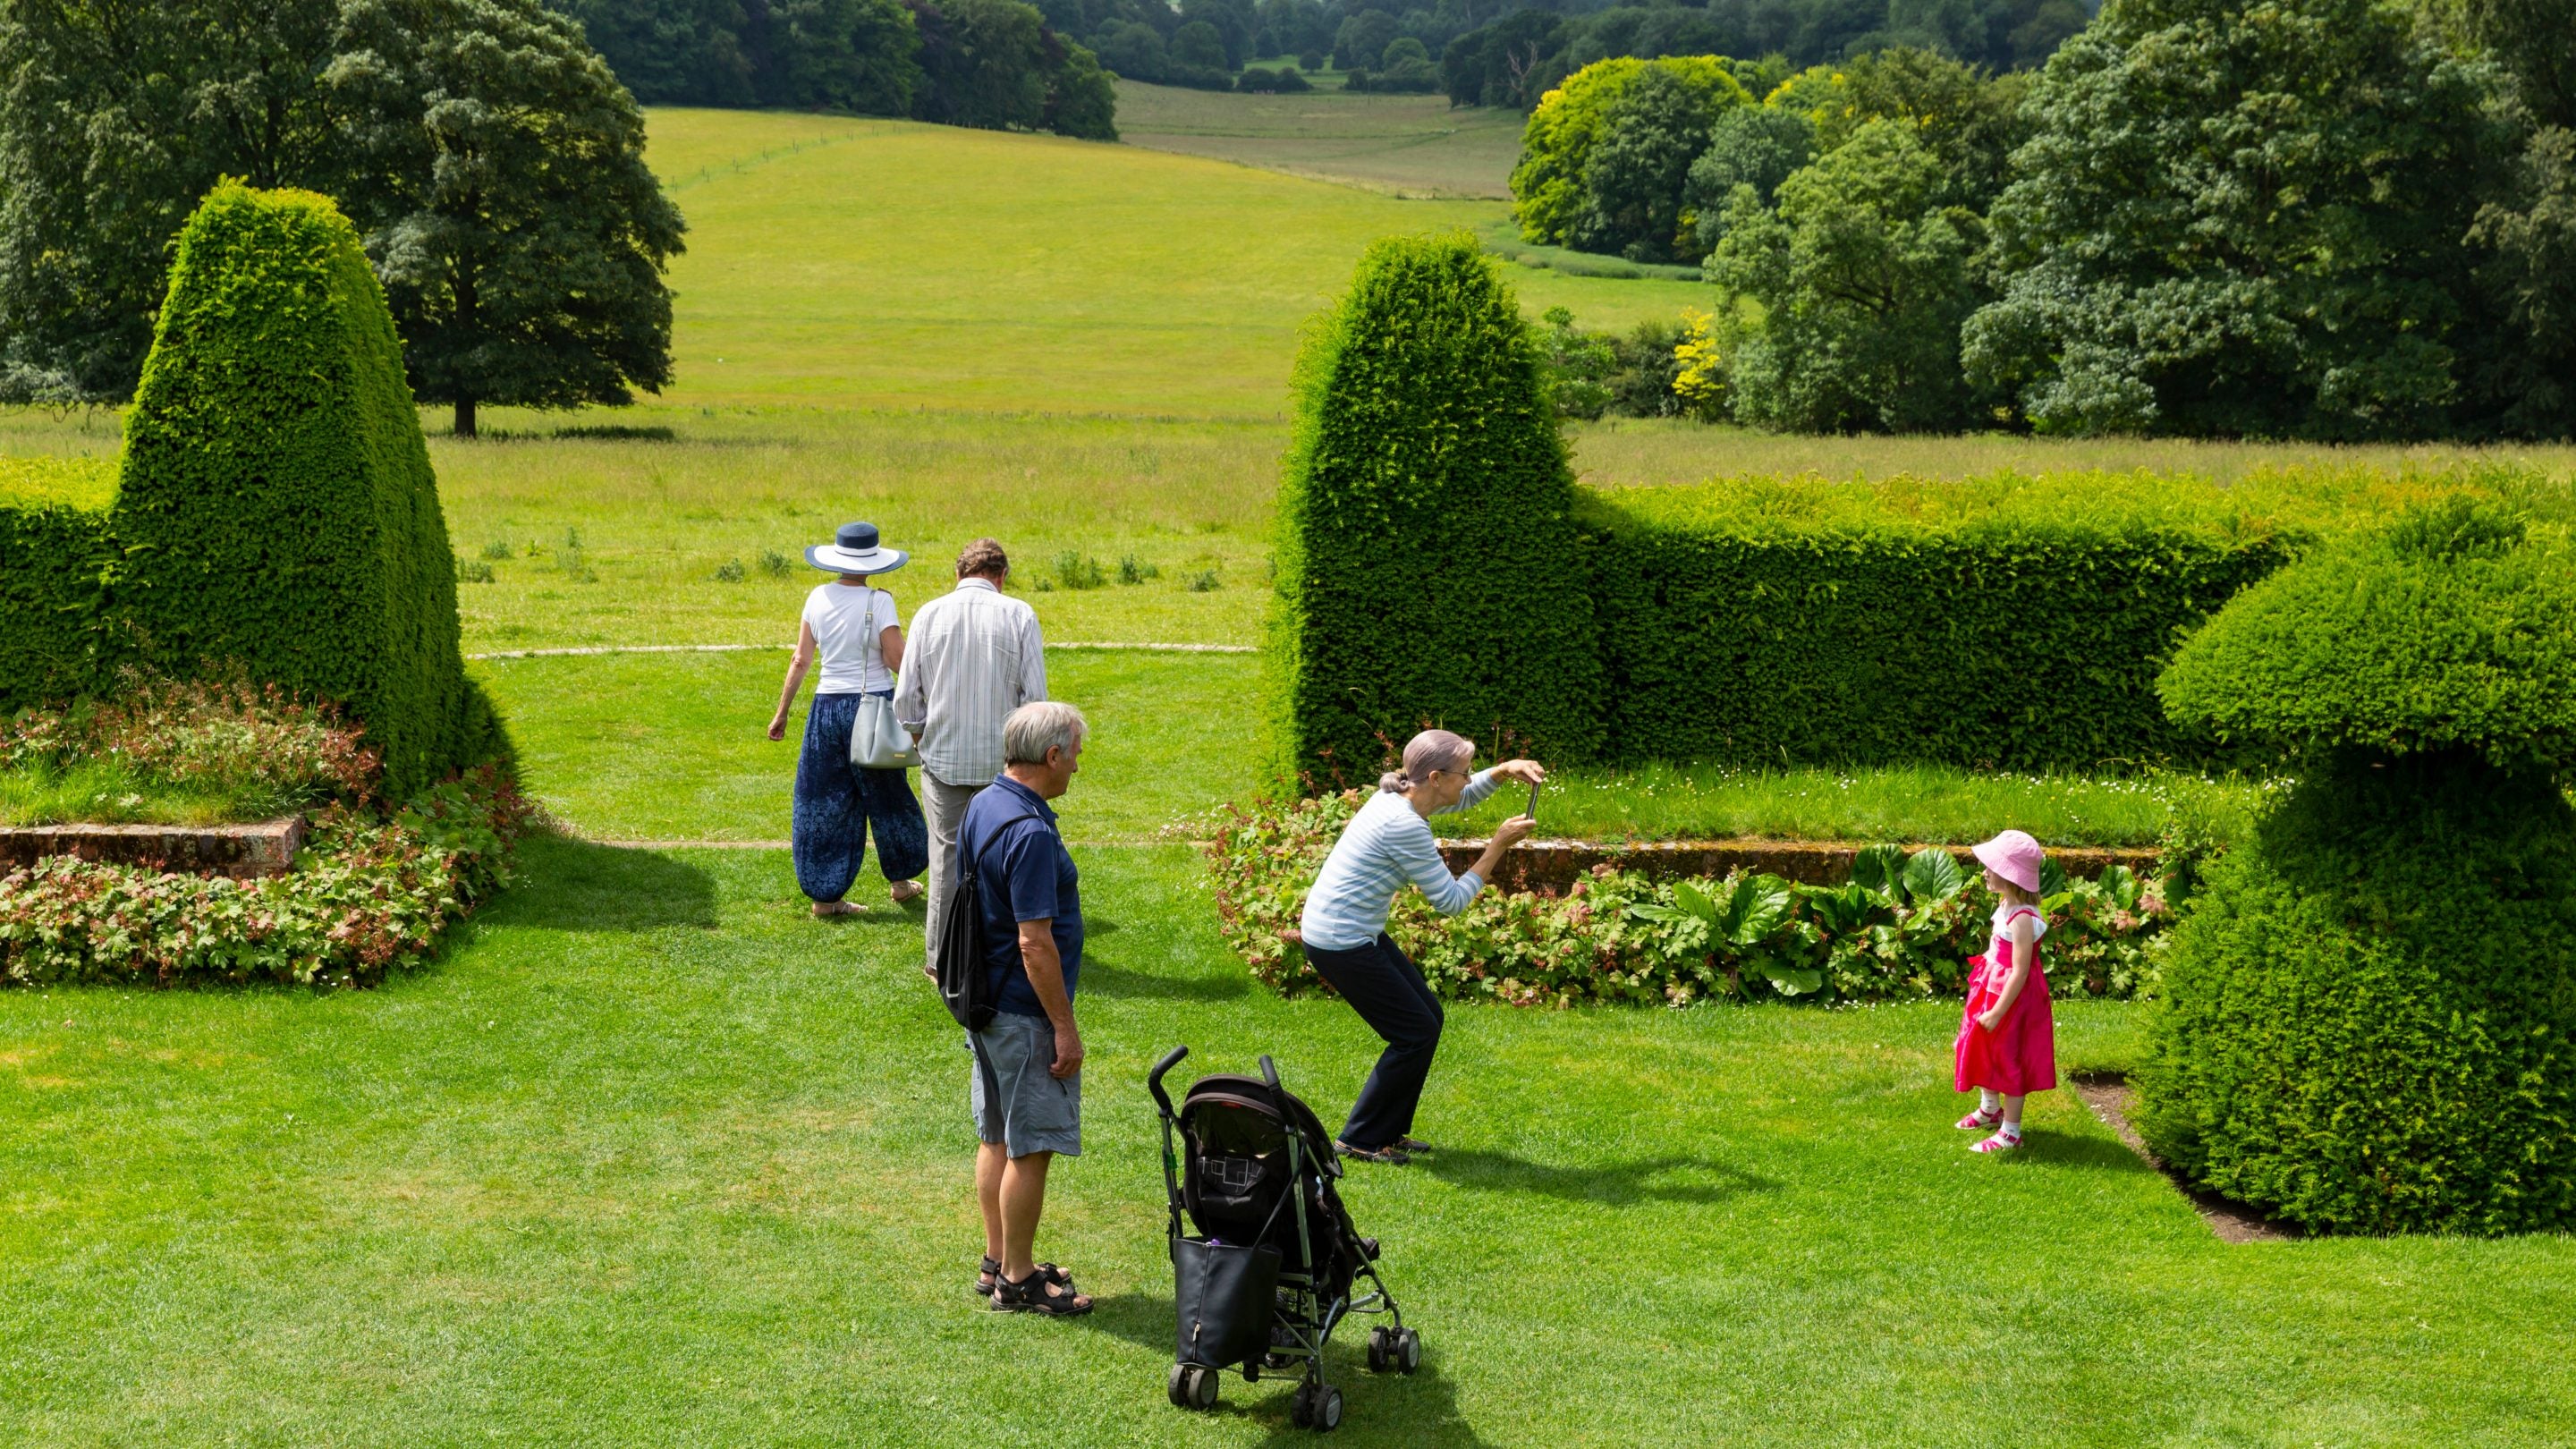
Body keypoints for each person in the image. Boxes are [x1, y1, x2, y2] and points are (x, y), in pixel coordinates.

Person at [1298, 728, 1542, 1165]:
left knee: (1427, 1018)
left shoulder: (1400, 796)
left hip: (1351, 931)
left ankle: (1386, 1131)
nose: (1469, 780)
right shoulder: (1403, 825)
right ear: (1434, 776)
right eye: (1464, 772)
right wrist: (1498, 847)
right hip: (1339, 940)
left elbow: (1461, 797)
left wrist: (1504, 771)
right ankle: (1359, 1139)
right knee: (1413, 1034)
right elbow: (1450, 902)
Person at [962, 701, 1093, 1316]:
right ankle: (1018, 1280)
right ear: (1051, 756)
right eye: (1075, 754)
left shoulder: (985, 803)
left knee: (995, 1136)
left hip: (985, 1006)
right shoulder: (1032, 832)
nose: (1077, 766)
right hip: (1021, 1012)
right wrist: (1063, 1029)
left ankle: (997, 1260)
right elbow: (1034, 942)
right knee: (1029, 1146)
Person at [895, 538, 1046, 976]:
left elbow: (907, 698)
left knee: (945, 858)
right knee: (1006, 856)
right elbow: (1034, 699)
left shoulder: (928, 613)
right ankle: (1005, 950)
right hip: (1005, 764)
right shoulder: (1019, 614)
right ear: (1001, 576)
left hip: (943, 756)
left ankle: (941, 961)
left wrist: (921, 735)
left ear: (958, 575)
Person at [767, 521, 928, 919]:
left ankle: (825, 897)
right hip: (872, 707)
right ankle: (901, 881)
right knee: (888, 794)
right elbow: (894, 659)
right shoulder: (880, 601)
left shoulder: (817, 597)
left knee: (824, 799)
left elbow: (801, 659)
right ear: (872, 561)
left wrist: (782, 711)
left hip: (825, 711)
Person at [1953, 828, 2058, 1153]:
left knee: (2010, 1056)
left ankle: (2011, 1131)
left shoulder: (2023, 918)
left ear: (2011, 876)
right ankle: (1989, 1109)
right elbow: (1997, 947)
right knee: (1983, 1047)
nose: (1984, 872)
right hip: (1992, 987)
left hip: (2012, 998)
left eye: (1991, 867)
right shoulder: (2006, 905)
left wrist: (1998, 1011)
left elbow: (2021, 970)